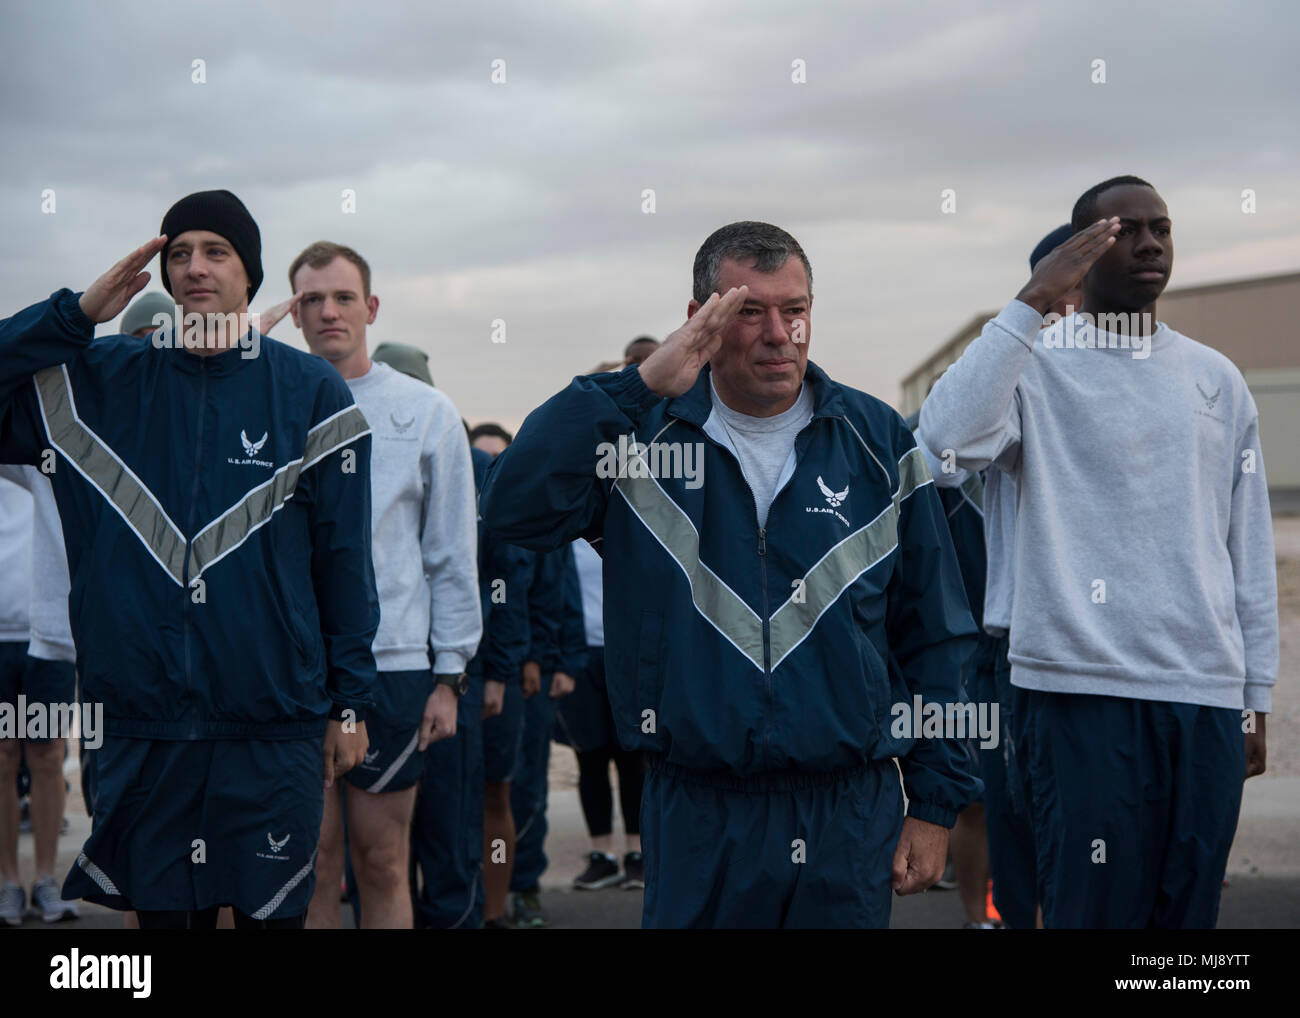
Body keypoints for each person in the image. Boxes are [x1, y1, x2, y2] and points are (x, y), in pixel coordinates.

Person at [482, 221, 980, 928]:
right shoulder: (639, 437)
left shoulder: (877, 441)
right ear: (700, 321)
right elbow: (510, 509)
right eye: (750, 311)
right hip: (697, 809)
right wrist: (640, 383)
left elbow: (937, 633)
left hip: (847, 808)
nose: (780, 333)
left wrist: (933, 804)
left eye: (795, 309)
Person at [0, 190, 379, 929]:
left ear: (250, 274)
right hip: (141, 724)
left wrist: (350, 701)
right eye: (178, 252)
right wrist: (75, 315)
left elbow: (343, 562)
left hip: (273, 726)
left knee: (276, 918)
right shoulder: (96, 382)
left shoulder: (310, 392)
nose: (194, 267)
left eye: (216, 251)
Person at [920, 178, 1277, 928]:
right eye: (1126, 230)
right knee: (1093, 910)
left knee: (1186, 917)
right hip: (1076, 691)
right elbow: (944, 443)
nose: (1150, 243)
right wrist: (1027, 306)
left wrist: (1254, 696)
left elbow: (1246, 546)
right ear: (1081, 253)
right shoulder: (1036, 366)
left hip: (1203, 693)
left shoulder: (1217, 379)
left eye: (1162, 228)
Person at [291, 242, 480, 929]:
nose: (328, 311)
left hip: (395, 667)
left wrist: (450, 675)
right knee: (311, 861)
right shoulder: (276, 405)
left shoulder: (427, 412)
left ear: (370, 308)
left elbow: (451, 554)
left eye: (342, 297)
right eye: (311, 299)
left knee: (383, 861)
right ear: (294, 313)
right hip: (295, 665)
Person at [0, 465, 79, 924]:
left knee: (47, 753)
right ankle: (9, 881)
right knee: (4, 755)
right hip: (1, 632)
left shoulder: (51, 432)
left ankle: (46, 878)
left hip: (48, 628)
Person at [557, 536, 646, 892]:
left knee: (633, 757)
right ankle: (601, 855)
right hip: (581, 658)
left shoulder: (625, 534)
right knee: (589, 758)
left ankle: (638, 854)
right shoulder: (564, 544)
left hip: (628, 655)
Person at [508, 544, 582, 927]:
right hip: (479, 663)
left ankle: (523, 886)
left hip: (534, 671)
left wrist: (566, 659)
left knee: (526, 786)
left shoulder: (532, 498)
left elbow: (561, 583)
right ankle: (481, 889)